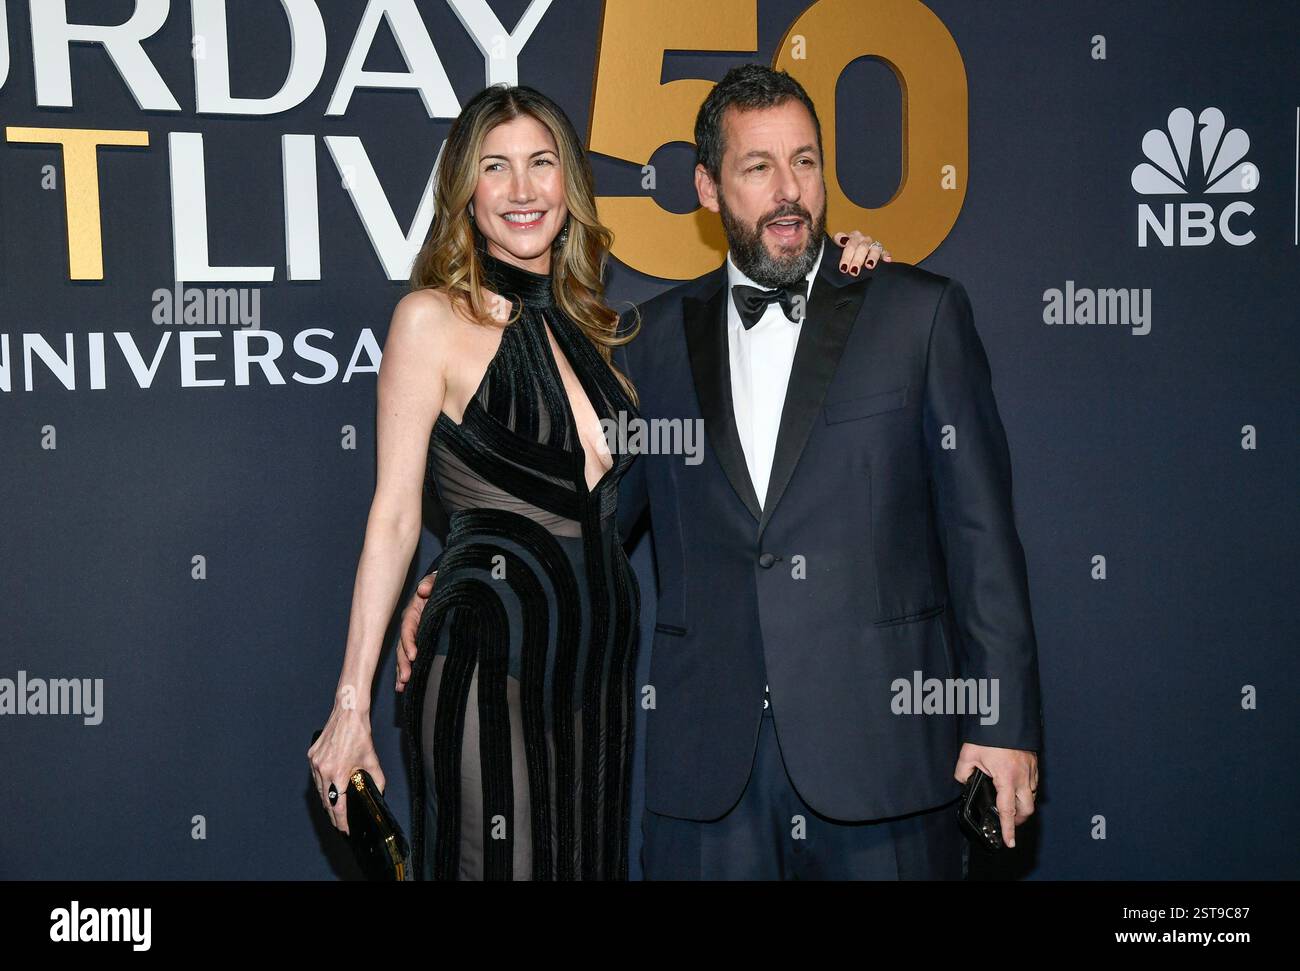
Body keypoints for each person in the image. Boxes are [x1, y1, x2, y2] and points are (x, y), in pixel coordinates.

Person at [403, 64, 1042, 880]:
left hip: (883, 766)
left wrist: (1002, 721)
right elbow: (585, 515)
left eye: (805, 162)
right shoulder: (649, 341)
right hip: (707, 779)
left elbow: (981, 535)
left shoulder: (916, 313)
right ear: (707, 187)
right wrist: (460, 576)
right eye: (758, 167)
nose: (788, 191)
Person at [311, 80, 884, 880]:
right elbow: (395, 516)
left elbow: (592, 510)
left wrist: (843, 262)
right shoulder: (430, 321)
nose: (522, 189)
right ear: (465, 194)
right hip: (488, 661)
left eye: (542, 163)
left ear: (569, 185)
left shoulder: (609, 335)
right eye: (496, 167)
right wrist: (350, 705)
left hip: (598, 679)